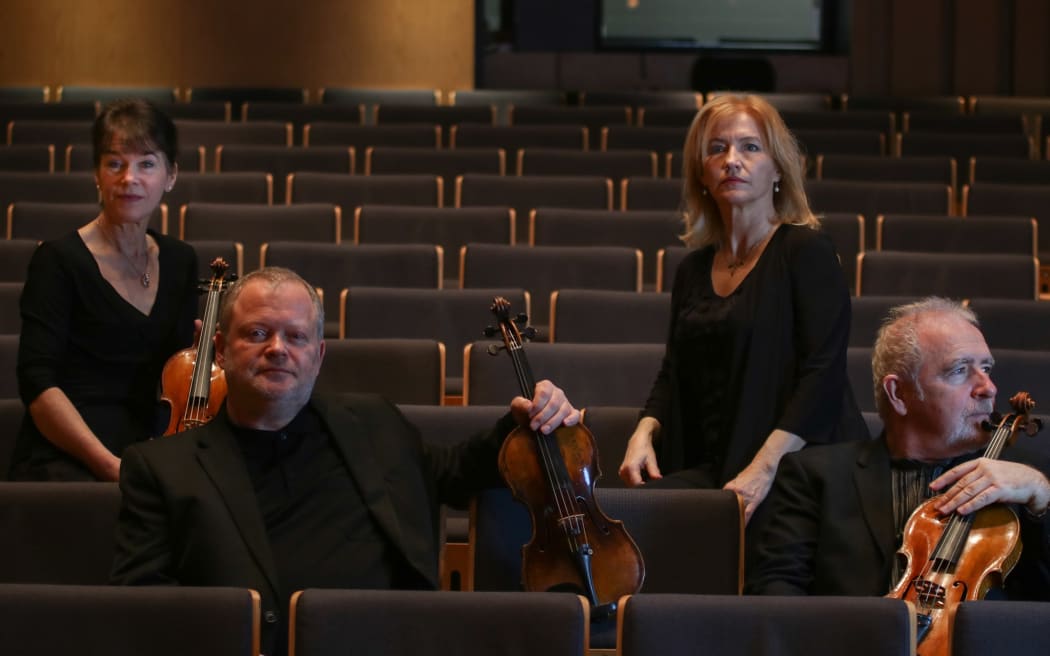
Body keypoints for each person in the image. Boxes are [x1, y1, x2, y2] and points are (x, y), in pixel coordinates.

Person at [110, 267, 581, 656]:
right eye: (257, 333)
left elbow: (454, 474)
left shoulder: (372, 422)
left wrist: (526, 422)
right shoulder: (160, 468)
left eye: (295, 337)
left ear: (317, 356)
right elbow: (147, 612)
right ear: (218, 351)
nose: (278, 348)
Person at [618, 94, 865, 522]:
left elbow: (823, 375)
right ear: (701, 174)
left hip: (797, 464)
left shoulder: (807, 251)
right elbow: (673, 371)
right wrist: (644, 431)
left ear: (778, 170)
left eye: (750, 147)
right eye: (717, 149)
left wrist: (763, 469)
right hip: (717, 465)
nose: (732, 160)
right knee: (625, 515)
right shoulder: (693, 270)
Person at [746, 297, 1050, 600]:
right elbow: (774, 599)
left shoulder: (1025, 485)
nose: (989, 388)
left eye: (986, 368)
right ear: (899, 393)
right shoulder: (815, 476)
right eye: (959, 370)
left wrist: (1041, 501)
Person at [10, 99, 198, 482]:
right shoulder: (57, 261)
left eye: (146, 163)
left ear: (171, 175)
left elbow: (177, 377)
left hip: (151, 449)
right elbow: (37, 383)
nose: (130, 178)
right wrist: (110, 466)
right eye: (115, 163)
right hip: (70, 452)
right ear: (97, 174)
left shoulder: (181, 261)